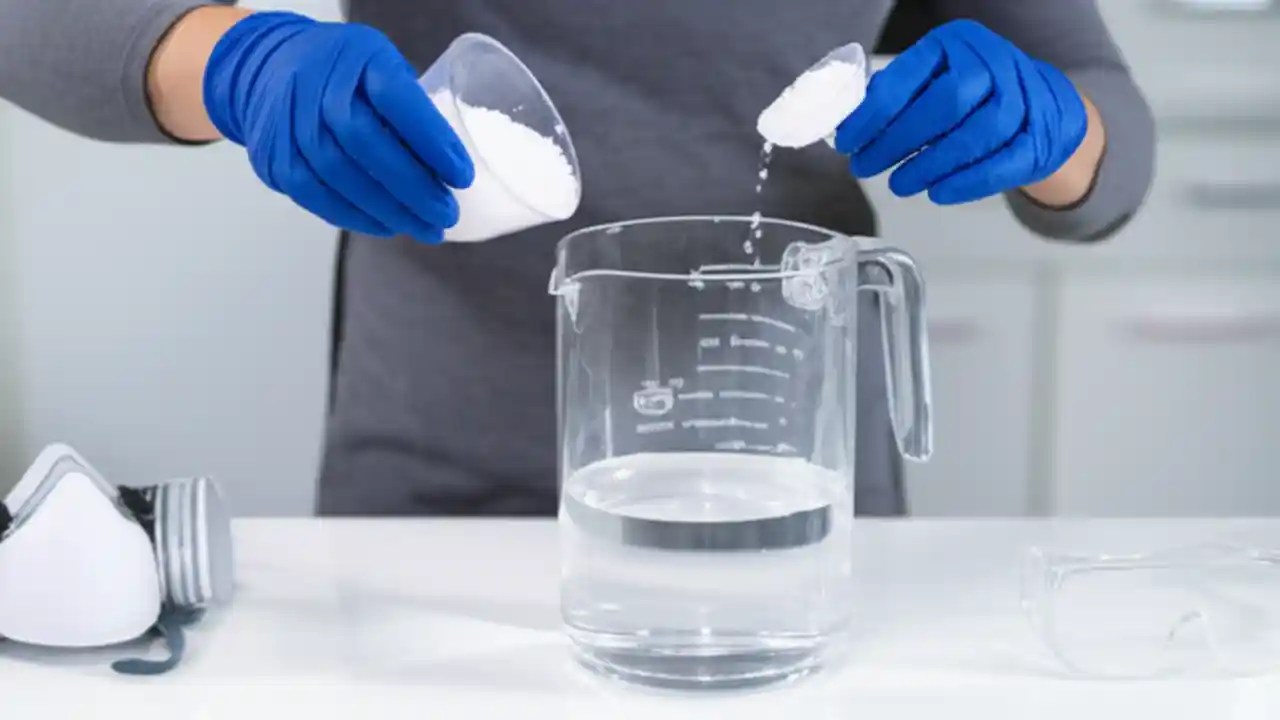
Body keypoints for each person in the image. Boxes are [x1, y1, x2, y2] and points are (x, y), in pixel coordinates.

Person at [0, 1, 1154, 517]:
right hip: (439, 467)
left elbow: (1112, 138)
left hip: (792, 482)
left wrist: (1052, 132)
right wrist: (234, 64)